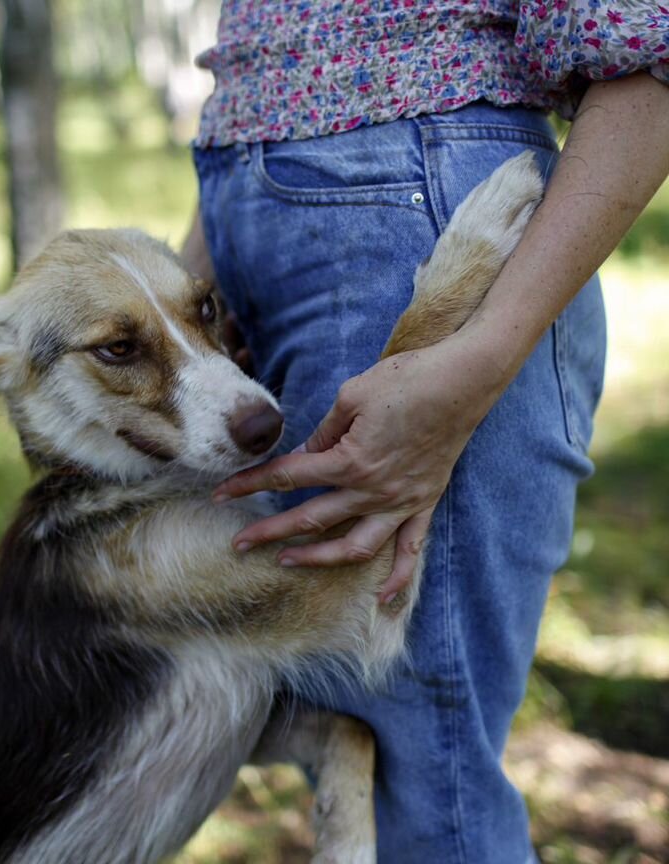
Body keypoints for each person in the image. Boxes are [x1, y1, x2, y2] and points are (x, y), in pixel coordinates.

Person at [182, 2, 669, 861]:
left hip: (421, 232)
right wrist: (202, 274)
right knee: (363, 762)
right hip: (258, 229)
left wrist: (481, 355)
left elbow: (644, 50)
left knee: (428, 785)